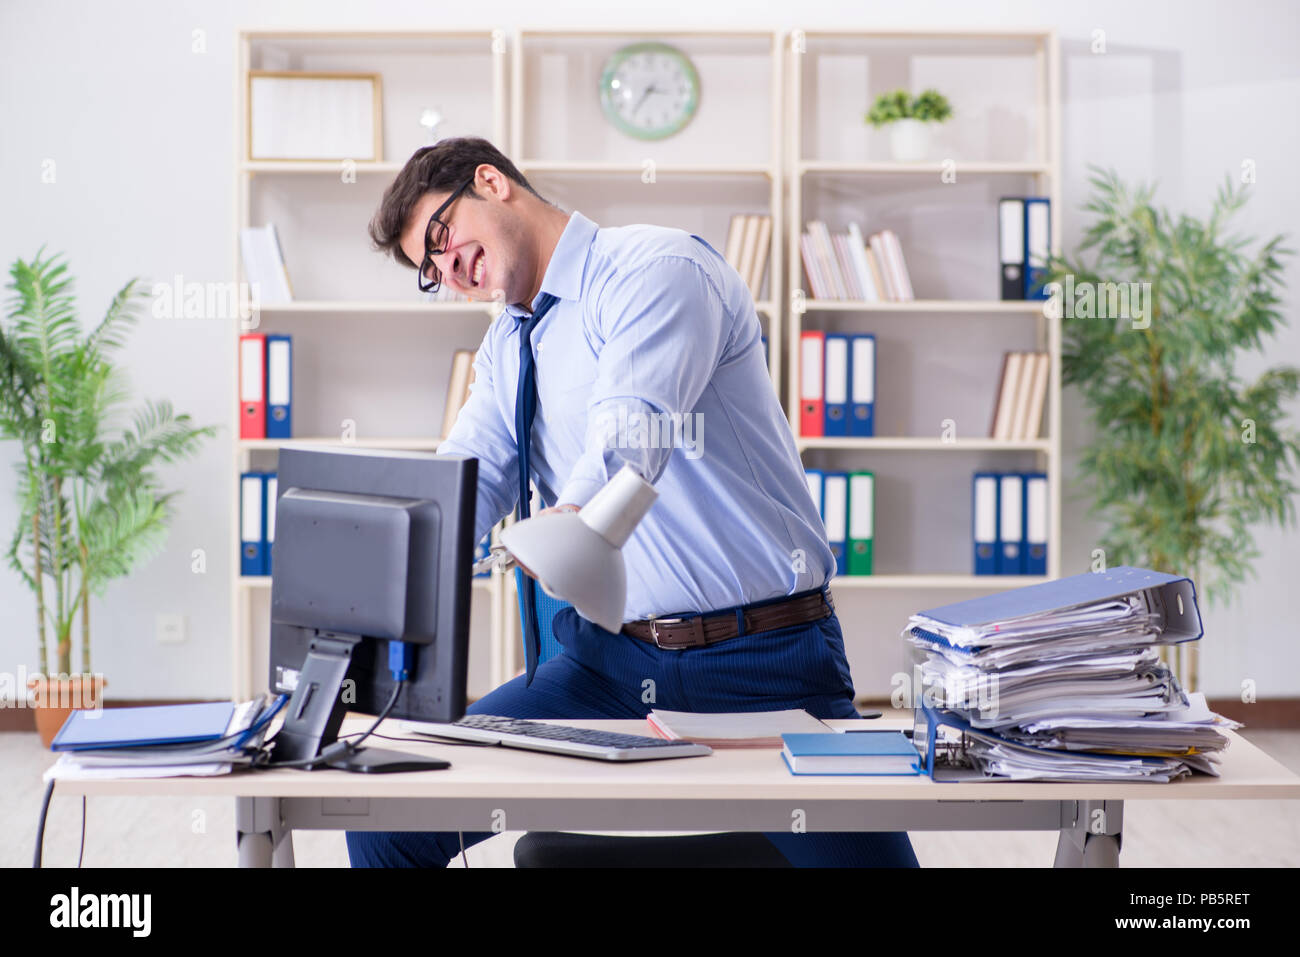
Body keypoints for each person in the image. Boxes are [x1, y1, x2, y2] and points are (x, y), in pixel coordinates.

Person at [351, 136, 918, 868]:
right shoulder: (507, 348)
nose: (448, 268)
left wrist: (569, 525)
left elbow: (630, 436)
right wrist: (377, 584)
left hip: (763, 661)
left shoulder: (657, 270)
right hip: (601, 667)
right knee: (391, 817)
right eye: (429, 270)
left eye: (440, 236)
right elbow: (465, 481)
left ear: (491, 184)